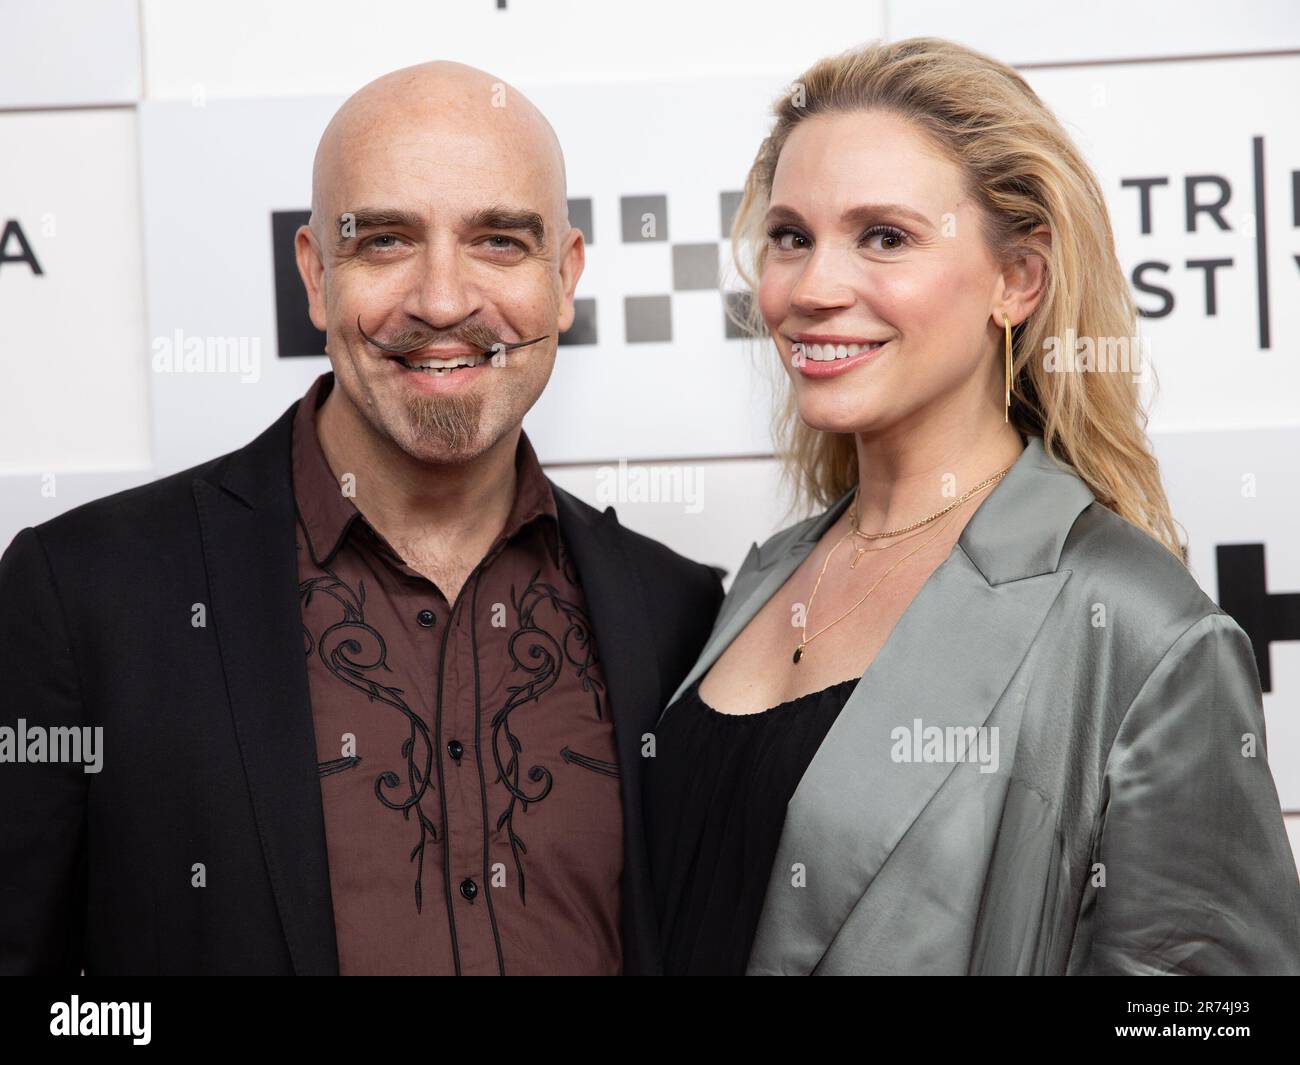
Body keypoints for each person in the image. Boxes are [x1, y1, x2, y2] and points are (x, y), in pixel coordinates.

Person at [0, 61, 722, 975]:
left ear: (565, 274)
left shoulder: (676, 613)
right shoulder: (86, 596)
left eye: (500, 241)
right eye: (384, 241)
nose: (444, 300)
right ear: (315, 275)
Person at [643, 37, 1300, 975]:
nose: (813, 288)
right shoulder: (767, 574)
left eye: (885, 236)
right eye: (791, 236)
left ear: (1016, 280)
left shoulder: (1139, 630)